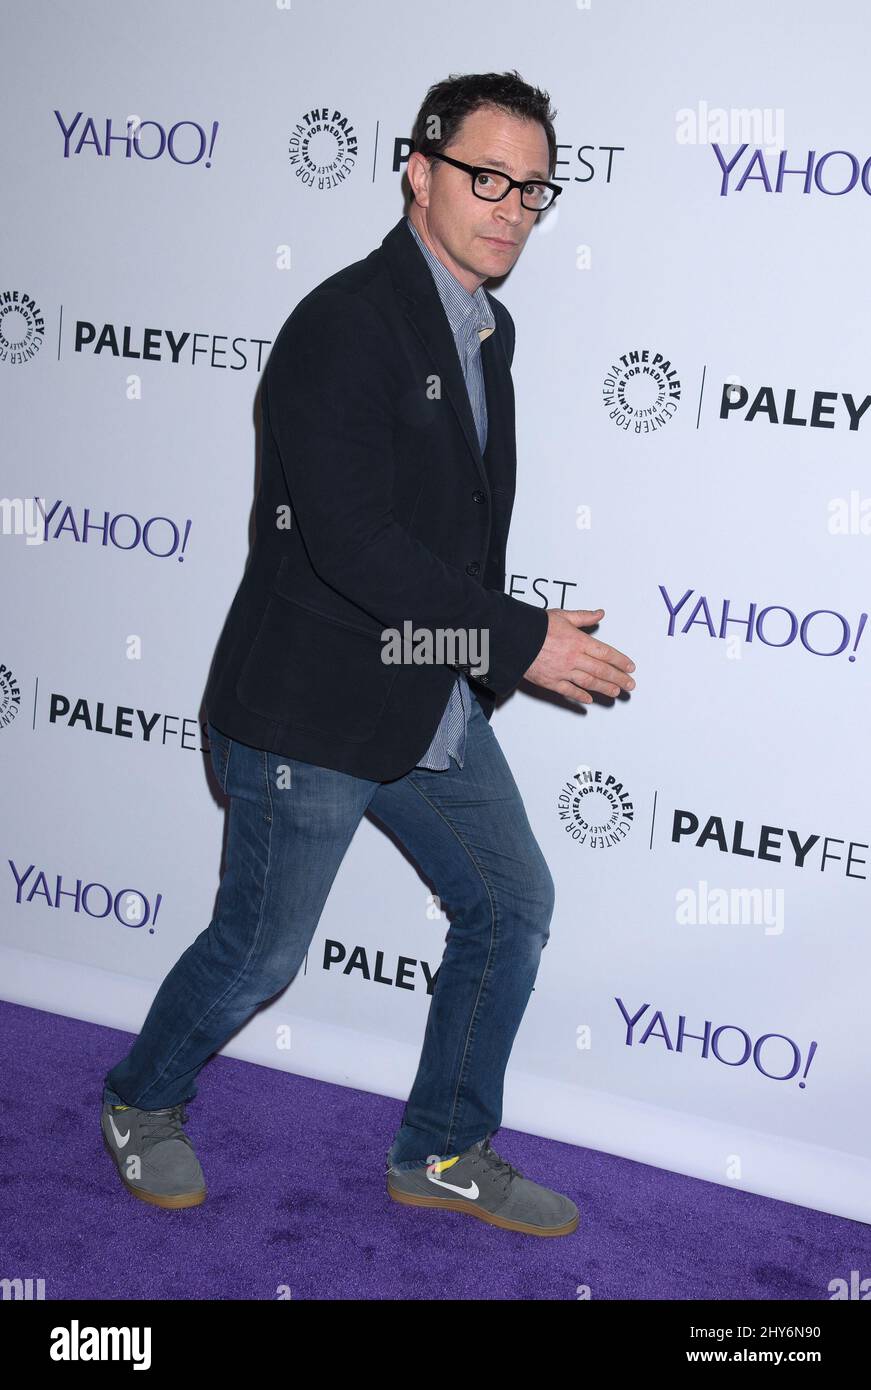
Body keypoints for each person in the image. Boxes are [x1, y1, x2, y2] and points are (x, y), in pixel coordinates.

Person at [100, 70, 636, 1237]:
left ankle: (441, 1149)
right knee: (260, 952)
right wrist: (516, 639)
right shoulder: (345, 324)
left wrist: (482, 650)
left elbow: (445, 537)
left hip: (420, 689)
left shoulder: (487, 328)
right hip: (309, 708)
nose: (508, 208)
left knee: (509, 904)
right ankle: (142, 1100)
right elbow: (350, 548)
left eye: (532, 190)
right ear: (419, 170)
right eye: (484, 177)